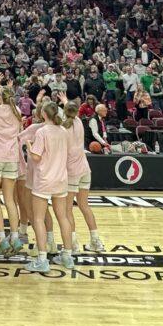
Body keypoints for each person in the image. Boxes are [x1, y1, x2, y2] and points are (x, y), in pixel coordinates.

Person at [24, 102, 75, 273]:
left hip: (44, 180)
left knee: (38, 219)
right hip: (61, 180)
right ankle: (67, 256)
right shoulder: (63, 131)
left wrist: (29, 146)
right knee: (63, 217)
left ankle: (42, 259)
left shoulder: (42, 131)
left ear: (44, 114)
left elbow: (36, 157)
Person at [0, 73, 23, 258]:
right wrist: (2, 88)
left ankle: (1, 238)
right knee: (10, 200)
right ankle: (15, 237)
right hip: (12, 158)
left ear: (1, 97)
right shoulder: (17, 111)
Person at [61, 100, 104, 254]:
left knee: (67, 210)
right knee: (84, 206)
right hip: (85, 169)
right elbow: (72, 111)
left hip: (72, 172)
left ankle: (73, 245)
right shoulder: (79, 122)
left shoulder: (62, 129)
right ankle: (96, 241)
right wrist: (66, 101)